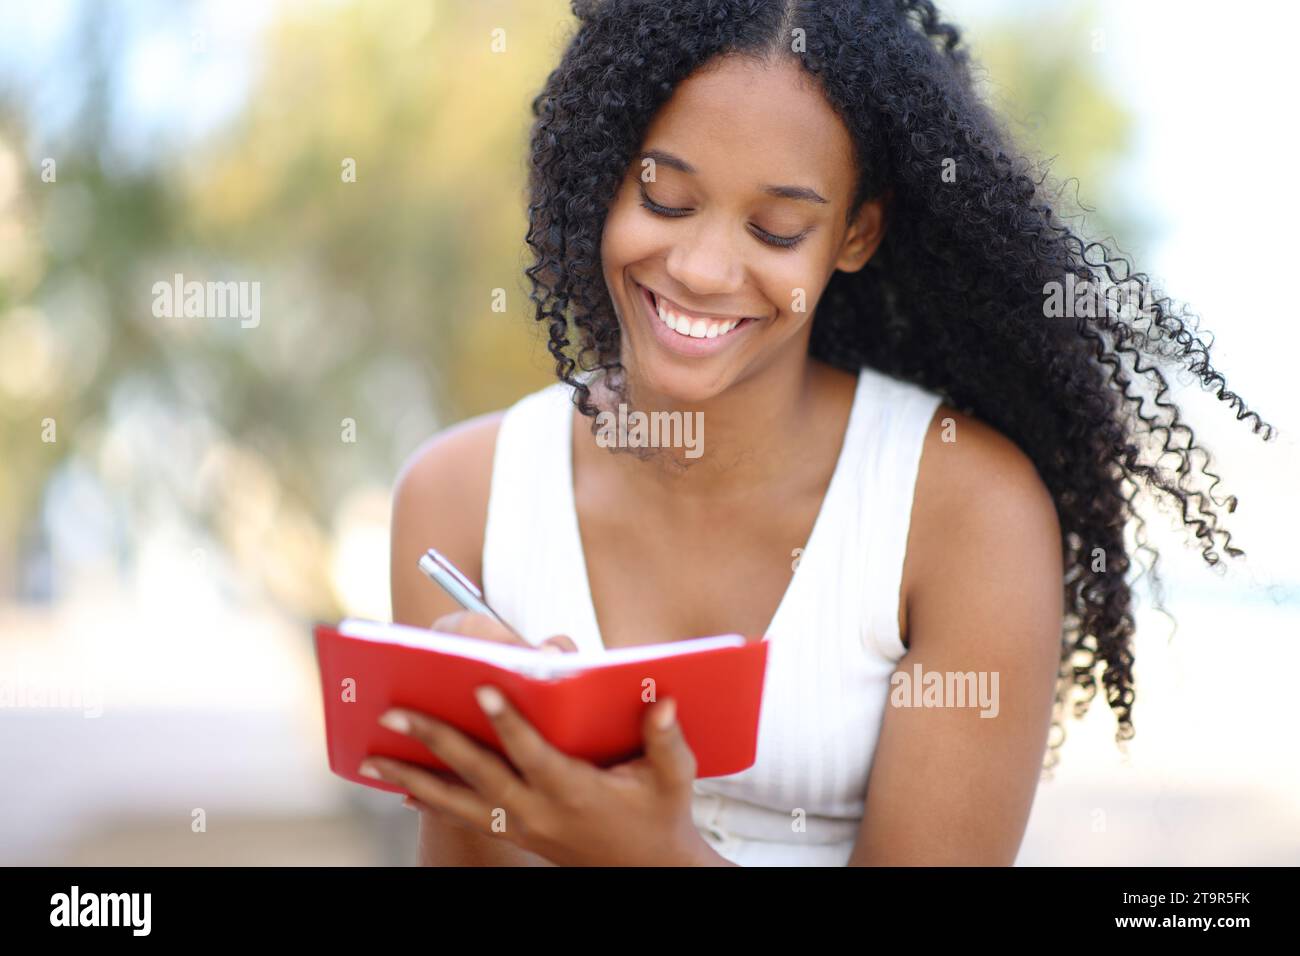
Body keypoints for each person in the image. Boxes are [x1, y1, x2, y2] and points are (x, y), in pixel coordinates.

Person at [370, 0, 1268, 866]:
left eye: (777, 228)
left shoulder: (964, 513)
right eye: (666, 200)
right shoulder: (460, 494)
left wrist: (650, 854)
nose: (703, 268)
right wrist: (472, 767)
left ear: (854, 234)